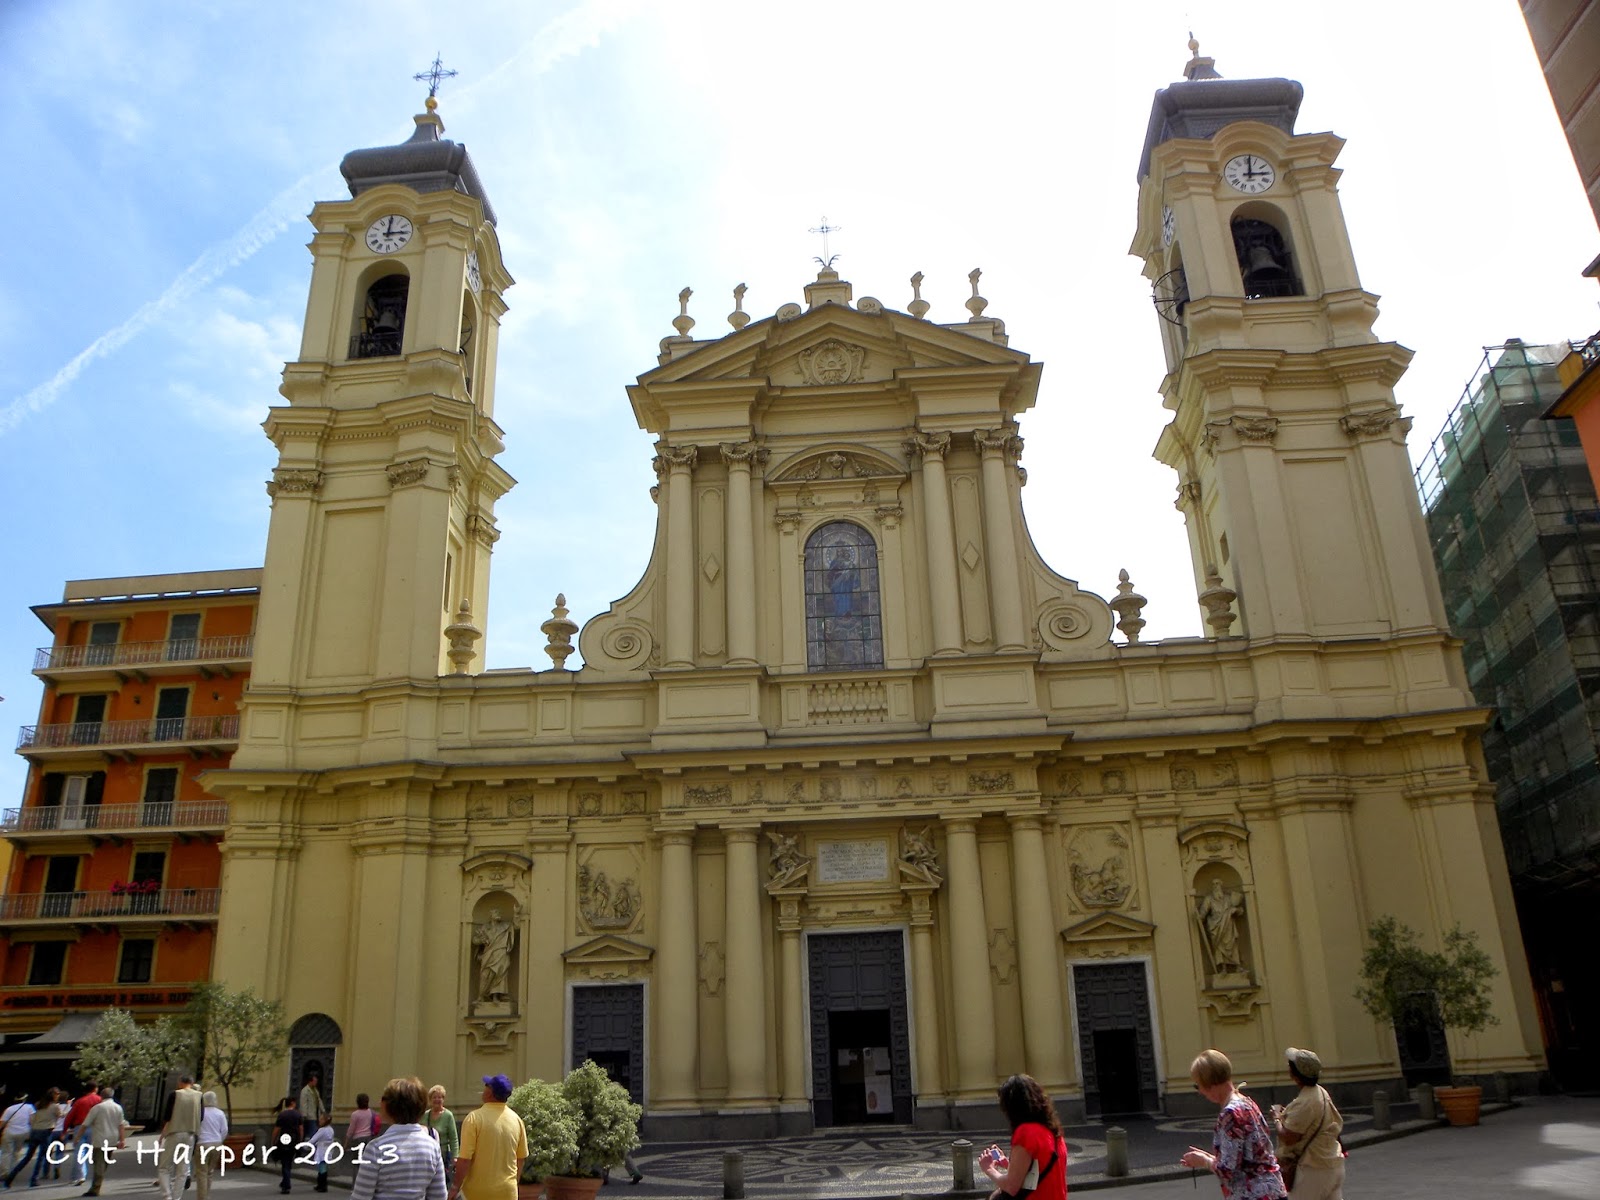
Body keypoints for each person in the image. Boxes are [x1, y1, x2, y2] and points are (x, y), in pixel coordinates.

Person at [1180, 1049, 1287, 1199]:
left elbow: (1227, 1170)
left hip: (1253, 1193)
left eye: (1198, 1086)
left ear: (1210, 1084)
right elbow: (1245, 1156)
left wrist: (1203, 1161)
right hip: (1272, 1189)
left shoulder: (1230, 1114)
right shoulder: (1246, 1102)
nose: (1200, 1092)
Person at [351, 1077, 445, 1200]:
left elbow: (360, 1197)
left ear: (386, 1106)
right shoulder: (432, 1147)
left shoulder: (376, 1148)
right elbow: (439, 1196)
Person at [978, 1075, 1067, 1200]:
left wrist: (988, 1169)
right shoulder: (1053, 1131)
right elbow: (1038, 1171)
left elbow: (1011, 1187)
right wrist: (1009, 1164)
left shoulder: (1025, 1133)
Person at [1271, 1048, 1344, 1200]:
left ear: (1295, 1075)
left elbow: (1289, 1137)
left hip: (1313, 1170)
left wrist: (1277, 1118)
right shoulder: (1320, 1092)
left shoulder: (1305, 1102)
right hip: (1332, 1164)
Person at [447, 1076, 525, 1200]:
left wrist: (455, 1187)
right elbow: (520, 1158)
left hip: (477, 1193)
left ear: (490, 1093)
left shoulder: (474, 1118)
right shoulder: (517, 1120)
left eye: (486, 1086)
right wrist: (513, 1183)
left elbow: (465, 1159)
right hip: (508, 1192)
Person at [158, 1075, 203, 1200]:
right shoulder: (199, 1096)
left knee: (164, 1167)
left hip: (174, 1132)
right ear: (192, 1083)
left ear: (180, 1083)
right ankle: (177, 1197)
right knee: (182, 1169)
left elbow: (167, 1116)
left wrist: (162, 1135)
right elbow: (201, 1117)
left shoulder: (175, 1094)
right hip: (190, 1134)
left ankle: (167, 1195)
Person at [5, 1088, 59, 1188]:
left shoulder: (38, 1104)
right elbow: (60, 1115)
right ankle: (34, 1179)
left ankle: (11, 1177)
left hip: (35, 1131)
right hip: (46, 1131)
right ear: (54, 1096)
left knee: (28, 1156)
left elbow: (33, 1118)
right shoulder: (55, 1106)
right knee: (41, 1157)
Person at [80, 1087, 125, 1199]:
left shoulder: (97, 1108)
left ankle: (95, 1187)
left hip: (100, 1138)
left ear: (101, 1096)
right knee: (105, 1162)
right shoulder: (118, 1108)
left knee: (99, 1163)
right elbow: (121, 1125)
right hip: (112, 1138)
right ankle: (96, 1184)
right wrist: (122, 1139)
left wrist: (77, 1137)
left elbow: (85, 1124)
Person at [62, 1085, 99, 1188]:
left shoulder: (80, 1101)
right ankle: (77, 1175)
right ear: (95, 1089)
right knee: (87, 1151)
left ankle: (79, 1175)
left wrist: (64, 1130)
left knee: (79, 1152)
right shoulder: (99, 1100)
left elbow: (70, 1116)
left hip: (80, 1127)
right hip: (95, 1127)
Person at [194, 1091, 228, 1200]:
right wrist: (220, 1140)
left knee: (202, 1173)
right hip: (216, 1143)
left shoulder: (200, 1113)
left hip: (203, 1143)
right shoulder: (220, 1113)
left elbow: (195, 1129)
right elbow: (224, 1130)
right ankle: (207, 1195)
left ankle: (202, 1197)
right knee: (210, 1172)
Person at [422, 1087, 457, 1183]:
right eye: (434, 1097)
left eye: (439, 1097)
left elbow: (453, 1138)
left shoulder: (448, 1115)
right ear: (430, 1099)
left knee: (441, 1180)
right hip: (428, 1153)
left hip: (443, 1154)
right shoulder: (425, 1115)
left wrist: (455, 1157)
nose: (437, 1100)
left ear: (443, 1099)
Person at [274, 1097, 306, 1194]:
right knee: (288, 1163)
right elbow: (301, 1129)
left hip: (283, 1141)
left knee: (285, 1163)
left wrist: (273, 1141)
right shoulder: (297, 1114)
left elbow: (276, 1129)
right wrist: (300, 1140)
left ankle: (286, 1184)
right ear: (292, 1103)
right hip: (294, 1141)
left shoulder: (282, 1115)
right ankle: (285, 1182)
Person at [0, 1096, 35, 1180]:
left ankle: (4, 1173)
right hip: (23, 1132)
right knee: (16, 1151)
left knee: (6, 1152)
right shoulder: (29, 1107)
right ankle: (12, 1170)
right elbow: (32, 1121)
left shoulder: (9, 1109)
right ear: (24, 1099)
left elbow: (2, 1123)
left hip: (9, 1132)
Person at [346, 1094, 379, 1162]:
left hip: (357, 1139)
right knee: (367, 1160)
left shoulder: (355, 1114)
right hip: (369, 1138)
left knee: (357, 1160)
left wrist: (346, 1144)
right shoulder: (371, 1112)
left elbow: (351, 1130)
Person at [308, 1113, 336, 1193]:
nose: (319, 1121)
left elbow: (313, 1139)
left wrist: (306, 1145)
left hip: (322, 1151)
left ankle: (322, 1185)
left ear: (325, 1121)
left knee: (322, 1168)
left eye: (321, 1120)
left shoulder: (322, 1130)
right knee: (323, 1167)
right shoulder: (330, 1129)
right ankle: (321, 1185)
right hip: (328, 1150)